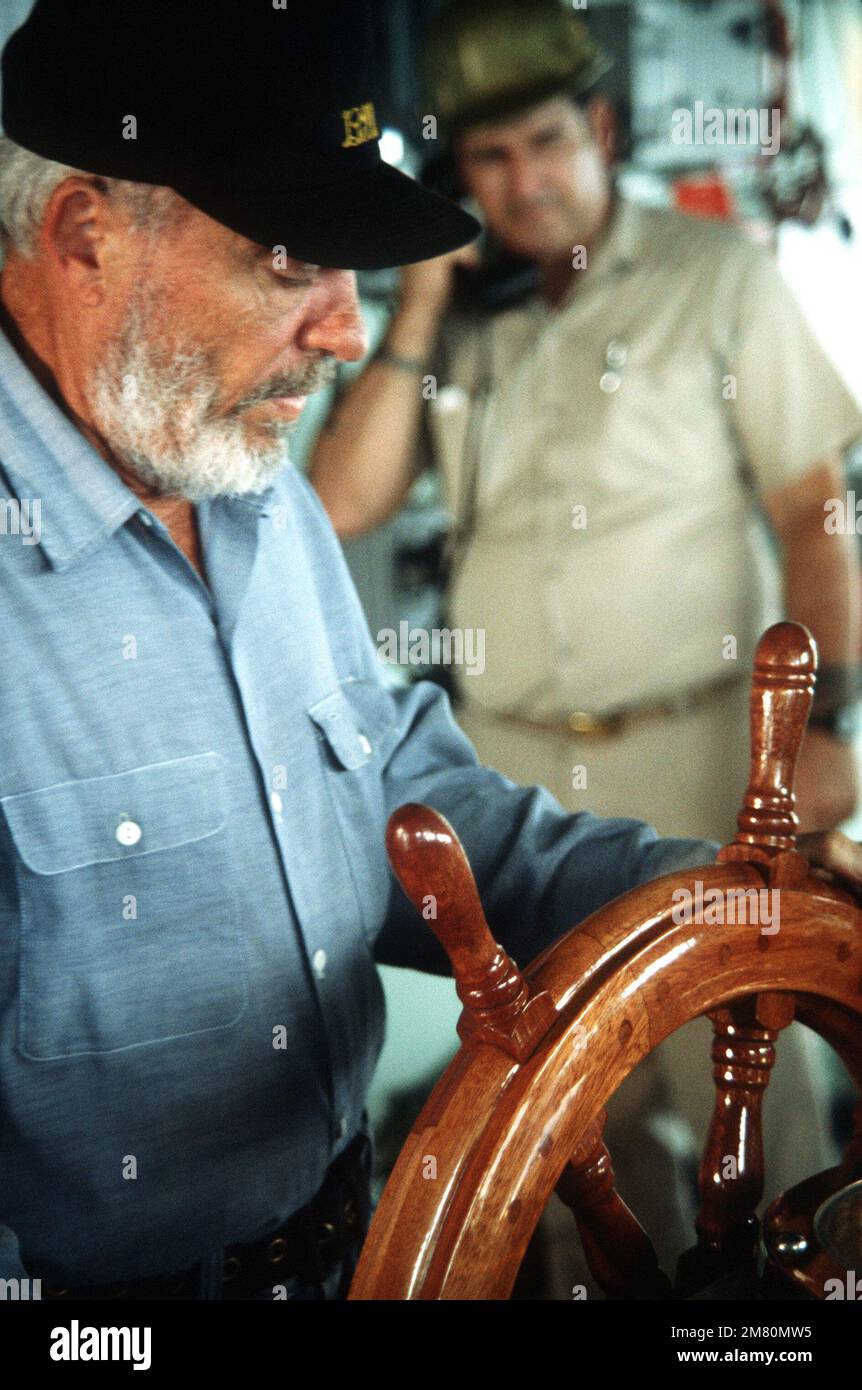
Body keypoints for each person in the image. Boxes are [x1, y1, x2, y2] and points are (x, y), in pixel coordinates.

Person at [0, 0, 857, 1304]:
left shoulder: (239, 475)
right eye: (293, 260)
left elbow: (402, 805)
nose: (347, 331)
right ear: (83, 235)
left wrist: (732, 892)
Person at [308, 0, 862, 1288]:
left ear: (602, 129)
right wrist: (421, 304)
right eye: (489, 161)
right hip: (503, 773)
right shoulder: (464, 313)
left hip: (697, 746)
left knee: (748, 1106)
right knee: (554, 1136)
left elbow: (812, 516)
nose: (525, 183)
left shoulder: (715, 277)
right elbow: (339, 500)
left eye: (547, 144)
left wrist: (831, 719)